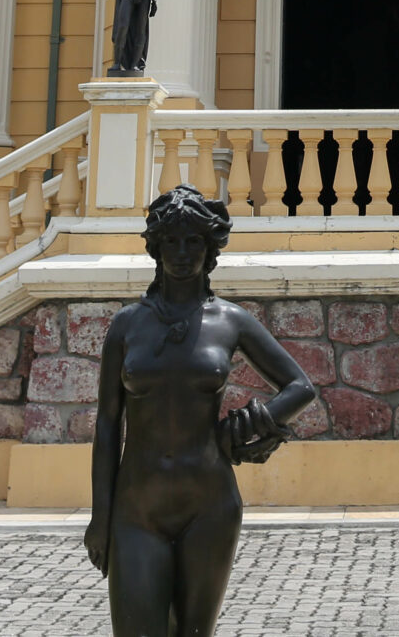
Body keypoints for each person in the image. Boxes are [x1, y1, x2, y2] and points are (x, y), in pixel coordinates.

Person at [85, 184, 316, 637]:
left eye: (194, 241)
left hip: (210, 506)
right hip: (137, 510)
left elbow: (300, 386)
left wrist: (260, 422)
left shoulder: (230, 321)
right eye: (171, 240)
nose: (182, 252)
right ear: (156, 247)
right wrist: (100, 515)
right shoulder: (127, 325)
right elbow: (108, 424)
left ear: (210, 249)